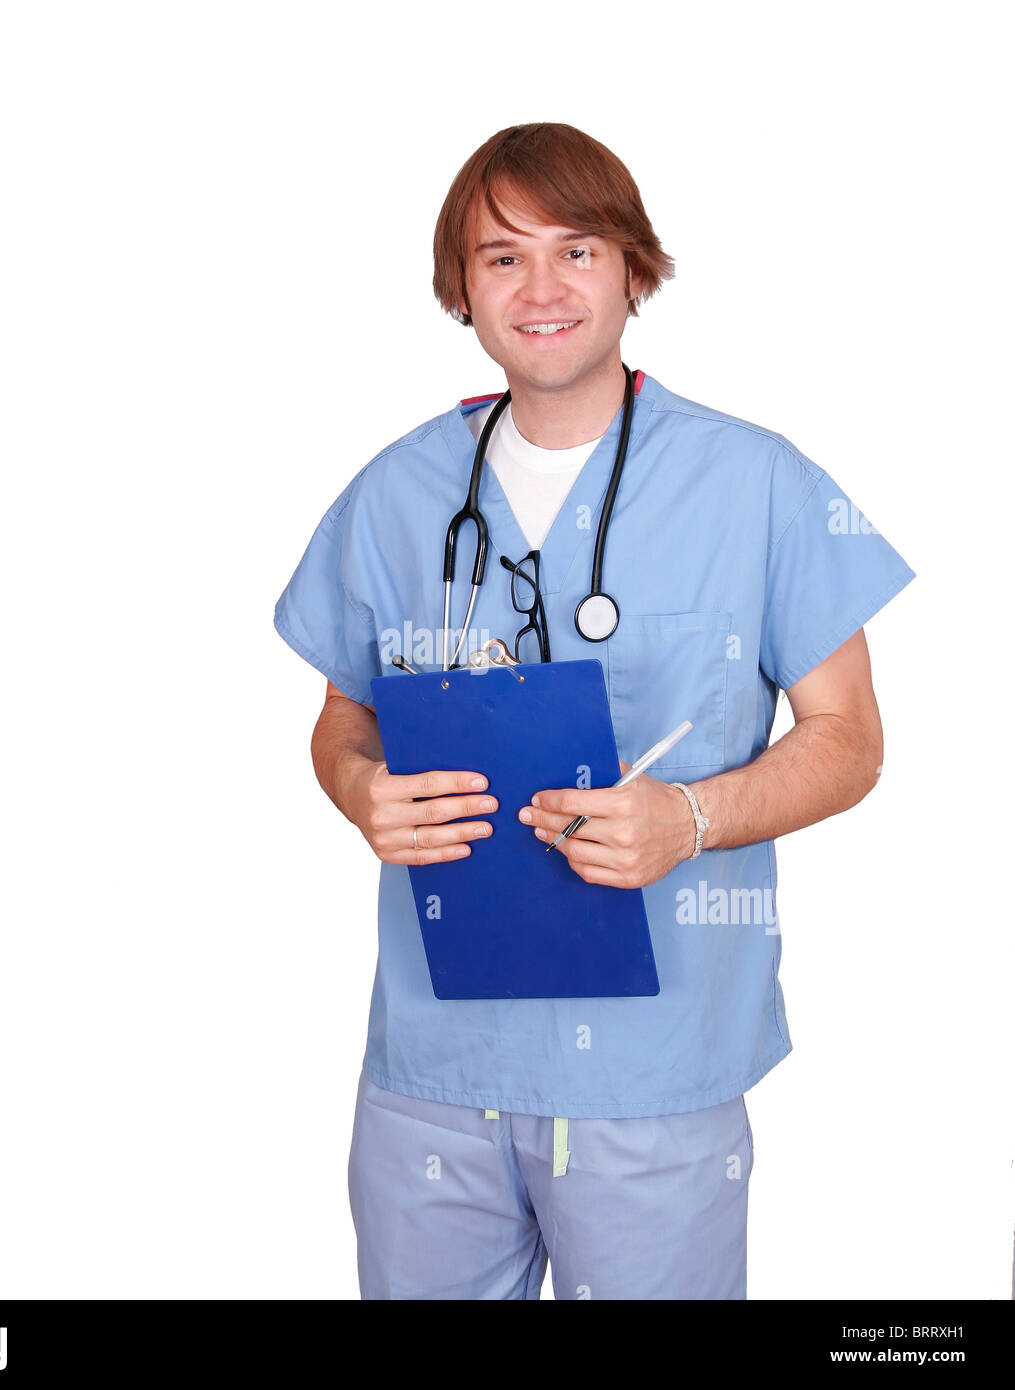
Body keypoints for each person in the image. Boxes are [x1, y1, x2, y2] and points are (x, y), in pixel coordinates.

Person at [272, 122, 915, 1300]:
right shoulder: (396, 492)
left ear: (632, 268)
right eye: (501, 256)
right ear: (460, 289)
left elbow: (850, 741)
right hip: (432, 1070)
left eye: (576, 248)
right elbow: (339, 716)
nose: (543, 287)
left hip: (653, 1078)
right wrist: (360, 787)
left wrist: (693, 817)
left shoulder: (755, 482)